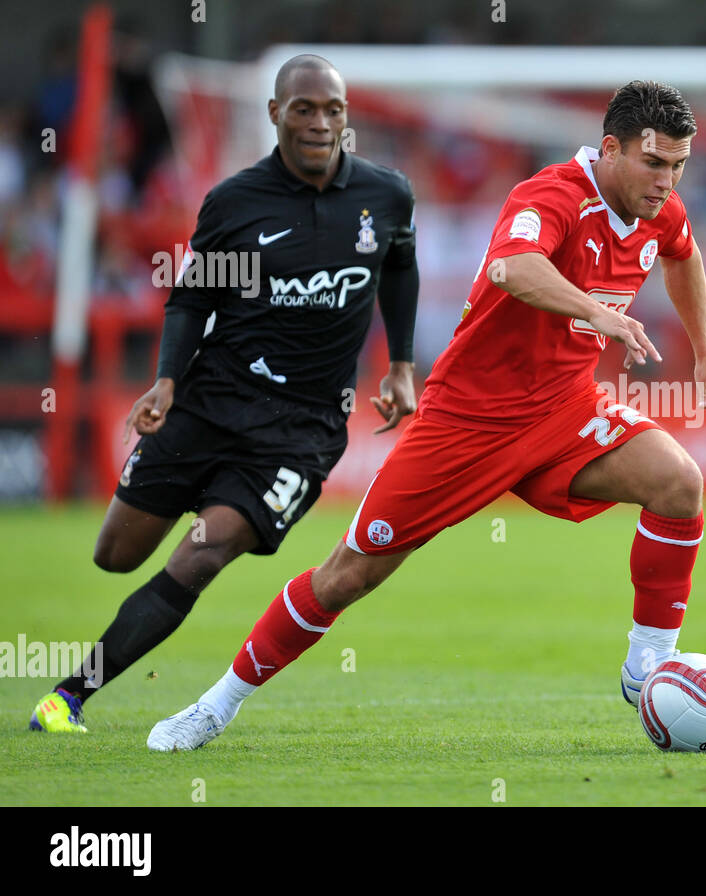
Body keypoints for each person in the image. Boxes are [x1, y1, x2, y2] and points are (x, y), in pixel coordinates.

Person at [146, 80, 706, 751]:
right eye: (655, 163)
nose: (667, 181)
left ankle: (648, 665)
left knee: (680, 484)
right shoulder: (551, 195)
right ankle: (214, 707)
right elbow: (514, 269)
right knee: (348, 575)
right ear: (610, 148)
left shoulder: (658, 208)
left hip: (564, 410)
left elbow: (683, 254)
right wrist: (598, 311)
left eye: (679, 165)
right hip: (468, 421)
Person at [30, 55, 419, 733]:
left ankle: (69, 694)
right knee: (114, 555)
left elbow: (401, 266)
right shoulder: (236, 204)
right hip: (211, 398)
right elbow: (191, 298)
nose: (320, 122)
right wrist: (166, 382)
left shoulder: (386, 196)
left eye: (332, 109)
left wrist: (402, 364)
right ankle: (197, 488)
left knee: (203, 552)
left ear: (346, 116)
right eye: (304, 108)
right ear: (275, 115)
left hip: (300, 431)